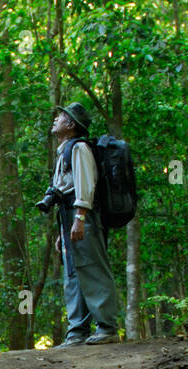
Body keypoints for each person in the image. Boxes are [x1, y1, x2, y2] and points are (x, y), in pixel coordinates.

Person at [40, 103, 121, 346]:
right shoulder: (64, 150)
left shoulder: (79, 148)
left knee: (93, 268)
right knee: (73, 273)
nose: (56, 119)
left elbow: (86, 184)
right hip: (69, 217)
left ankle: (107, 327)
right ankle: (77, 331)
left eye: (61, 117)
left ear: (71, 125)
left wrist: (80, 218)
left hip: (82, 215)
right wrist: (62, 231)